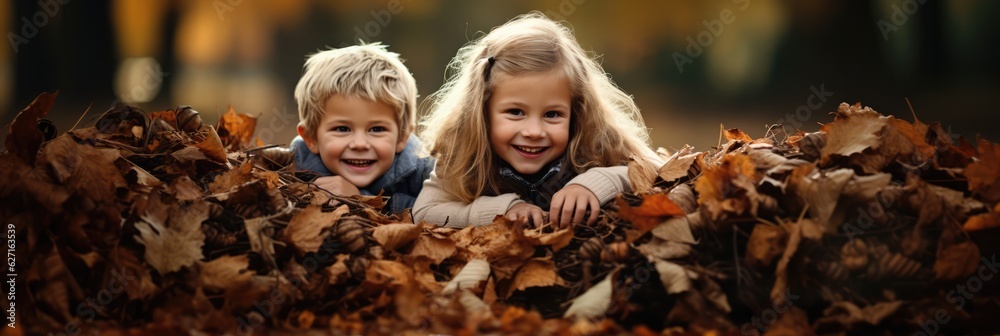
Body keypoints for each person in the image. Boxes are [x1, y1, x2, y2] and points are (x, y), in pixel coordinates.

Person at [414, 12, 661, 229]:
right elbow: (425, 212)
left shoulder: (593, 141)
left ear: (576, 111)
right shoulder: (465, 155)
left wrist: (594, 183)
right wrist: (502, 210)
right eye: (515, 112)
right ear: (482, 111)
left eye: (552, 114)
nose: (534, 131)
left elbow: (655, 168)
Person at [291, 43, 433, 214]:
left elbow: (433, 211)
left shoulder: (423, 169)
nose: (359, 144)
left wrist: (360, 199)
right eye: (342, 129)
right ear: (311, 138)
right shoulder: (297, 161)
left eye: (377, 129)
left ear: (402, 137)